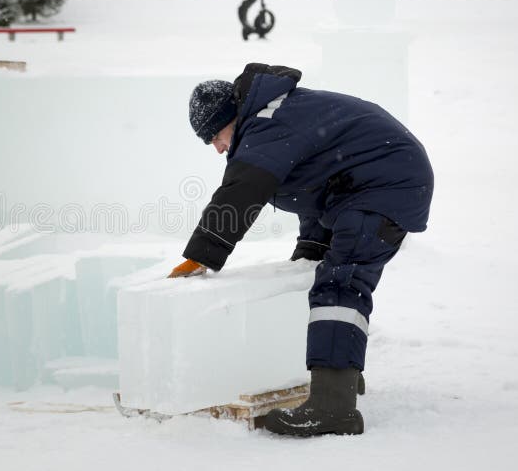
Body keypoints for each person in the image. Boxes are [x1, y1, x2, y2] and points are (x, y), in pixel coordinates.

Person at [167, 63, 434, 437]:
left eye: (215, 136)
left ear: (231, 118)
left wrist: (203, 253)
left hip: (384, 187)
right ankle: (339, 378)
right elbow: (319, 182)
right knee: (327, 277)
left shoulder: (267, 123)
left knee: (340, 285)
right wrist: (310, 247)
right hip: (370, 184)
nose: (218, 148)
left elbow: (243, 189)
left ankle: (334, 406)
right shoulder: (275, 115)